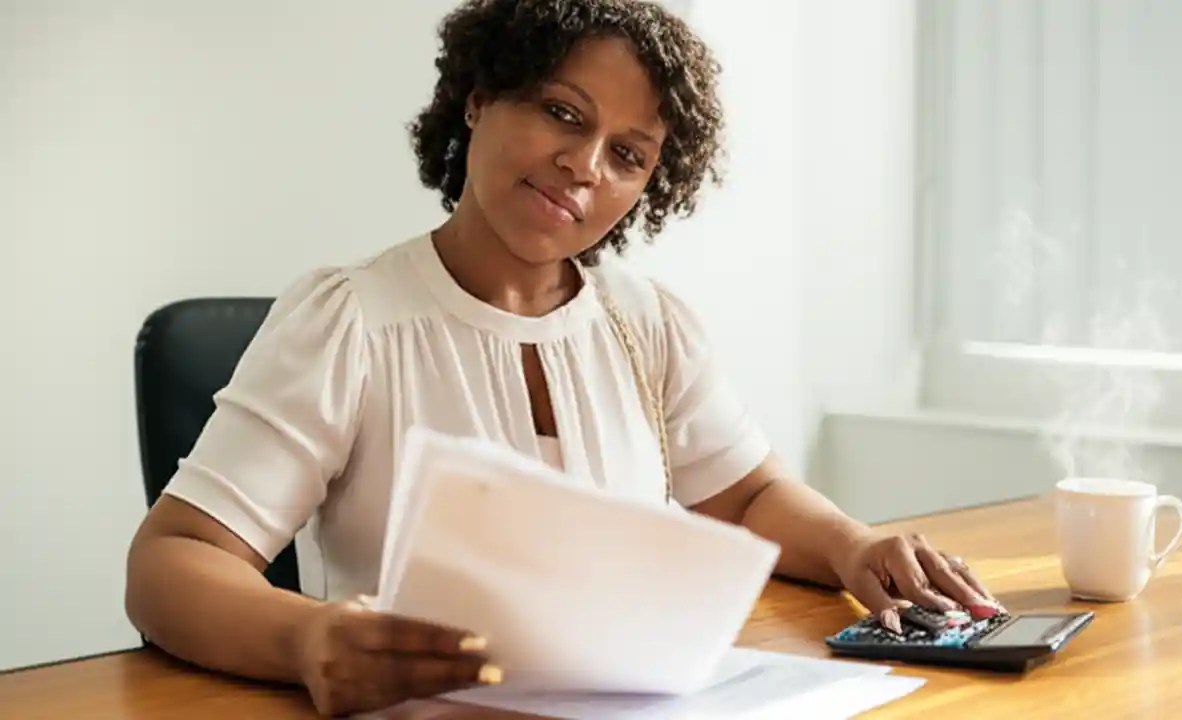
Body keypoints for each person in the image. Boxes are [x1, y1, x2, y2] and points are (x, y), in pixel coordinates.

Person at [125, 0, 1001, 716]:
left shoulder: (645, 320)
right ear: (478, 99)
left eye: (627, 154)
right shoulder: (352, 322)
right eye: (561, 112)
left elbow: (749, 494)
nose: (583, 166)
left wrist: (852, 545)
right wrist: (307, 640)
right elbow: (171, 563)